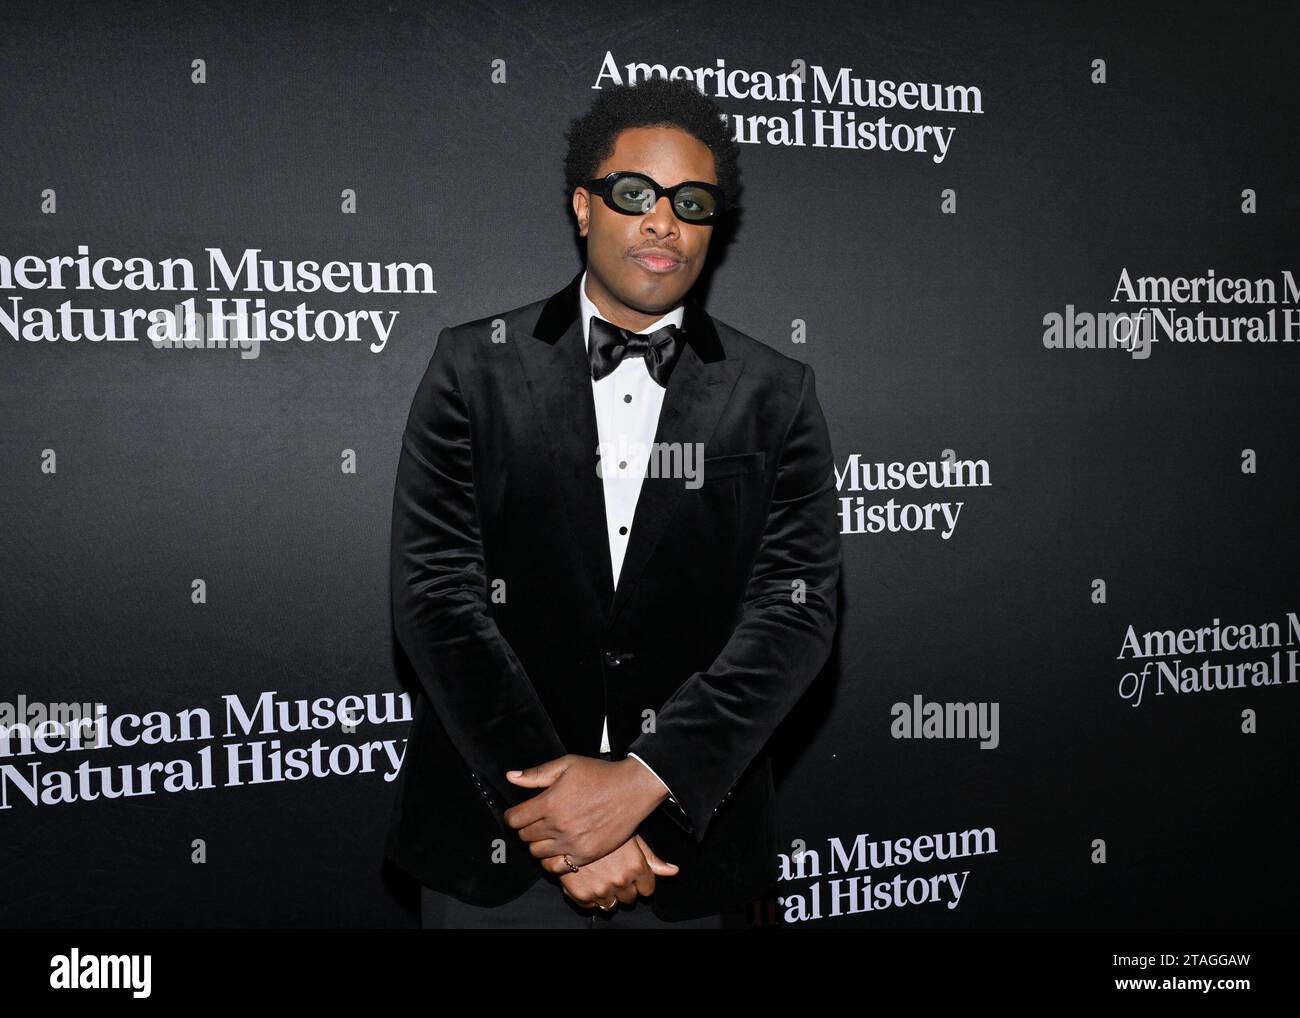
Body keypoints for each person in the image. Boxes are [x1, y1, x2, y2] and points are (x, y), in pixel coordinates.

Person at [384, 76, 841, 929]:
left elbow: (793, 618)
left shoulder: (777, 392)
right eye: (636, 194)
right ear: (584, 207)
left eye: (693, 202)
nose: (664, 220)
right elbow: (437, 600)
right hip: (497, 851)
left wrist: (643, 785)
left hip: (689, 856)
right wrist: (570, 827)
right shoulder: (472, 366)